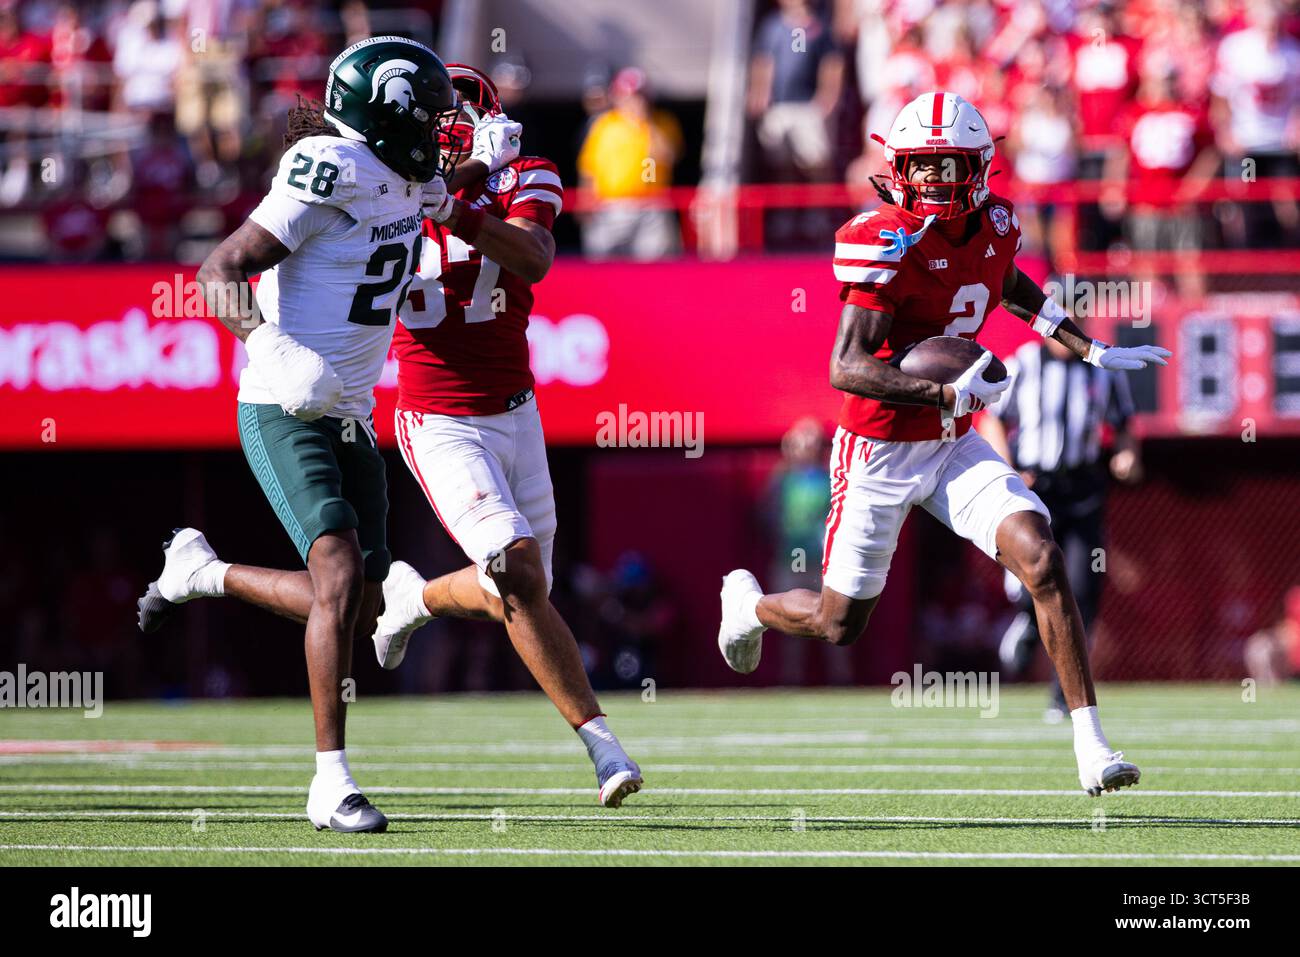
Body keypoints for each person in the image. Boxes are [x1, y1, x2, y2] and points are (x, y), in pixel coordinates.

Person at [716, 92, 1171, 797]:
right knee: (839, 623)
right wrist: (942, 393)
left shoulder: (994, 225)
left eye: (945, 164)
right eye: (919, 165)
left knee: (1042, 557)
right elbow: (845, 367)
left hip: (953, 443)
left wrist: (1088, 348)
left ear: (977, 167)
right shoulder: (884, 241)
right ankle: (750, 606)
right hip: (880, 446)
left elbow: (1010, 284)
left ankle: (1091, 745)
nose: (930, 179)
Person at [136, 36, 462, 833]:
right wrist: (272, 347)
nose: (438, 131)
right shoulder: (331, 169)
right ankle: (331, 783)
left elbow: (450, 199)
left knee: (357, 602)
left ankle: (201, 573)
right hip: (284, 400)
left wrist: (489, 162)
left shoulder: (412, 177)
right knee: (340, 571)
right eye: (428, 116)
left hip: (351, 410)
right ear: (386, 116)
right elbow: (218, 271)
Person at [373, 63, 643, 808]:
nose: (446, 122)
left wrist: (462, 192)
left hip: (516, 413)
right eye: (434, 114)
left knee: (519, 589)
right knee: (518, 569)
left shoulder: (527, 173)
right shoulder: (380, 188)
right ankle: (603, 745)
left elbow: (533, 256)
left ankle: (416, 599)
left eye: (456, 111)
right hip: (438, 418)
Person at [978, 323, 1142, 720]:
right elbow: (992, 420)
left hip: (1083, 489)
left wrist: (1127, 455)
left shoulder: (1102, 371)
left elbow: (1124, 428)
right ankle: (1026, 618)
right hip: (1037, 485)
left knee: (1083, 590)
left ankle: (1062, 695)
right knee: (1035, 572)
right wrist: (1010, 469)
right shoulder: (1024, 365)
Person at [576, 67, 682, 260]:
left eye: (639, 96)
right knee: (603, 265)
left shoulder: (662, 122)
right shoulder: (604, 125)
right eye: (628, 95)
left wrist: (646, 123)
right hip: (610, 208)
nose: (634, 101)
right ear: (617, 97)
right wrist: (585, 202)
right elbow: (588, 168)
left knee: (654, 267)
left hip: (651, 207)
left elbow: (668, 156)